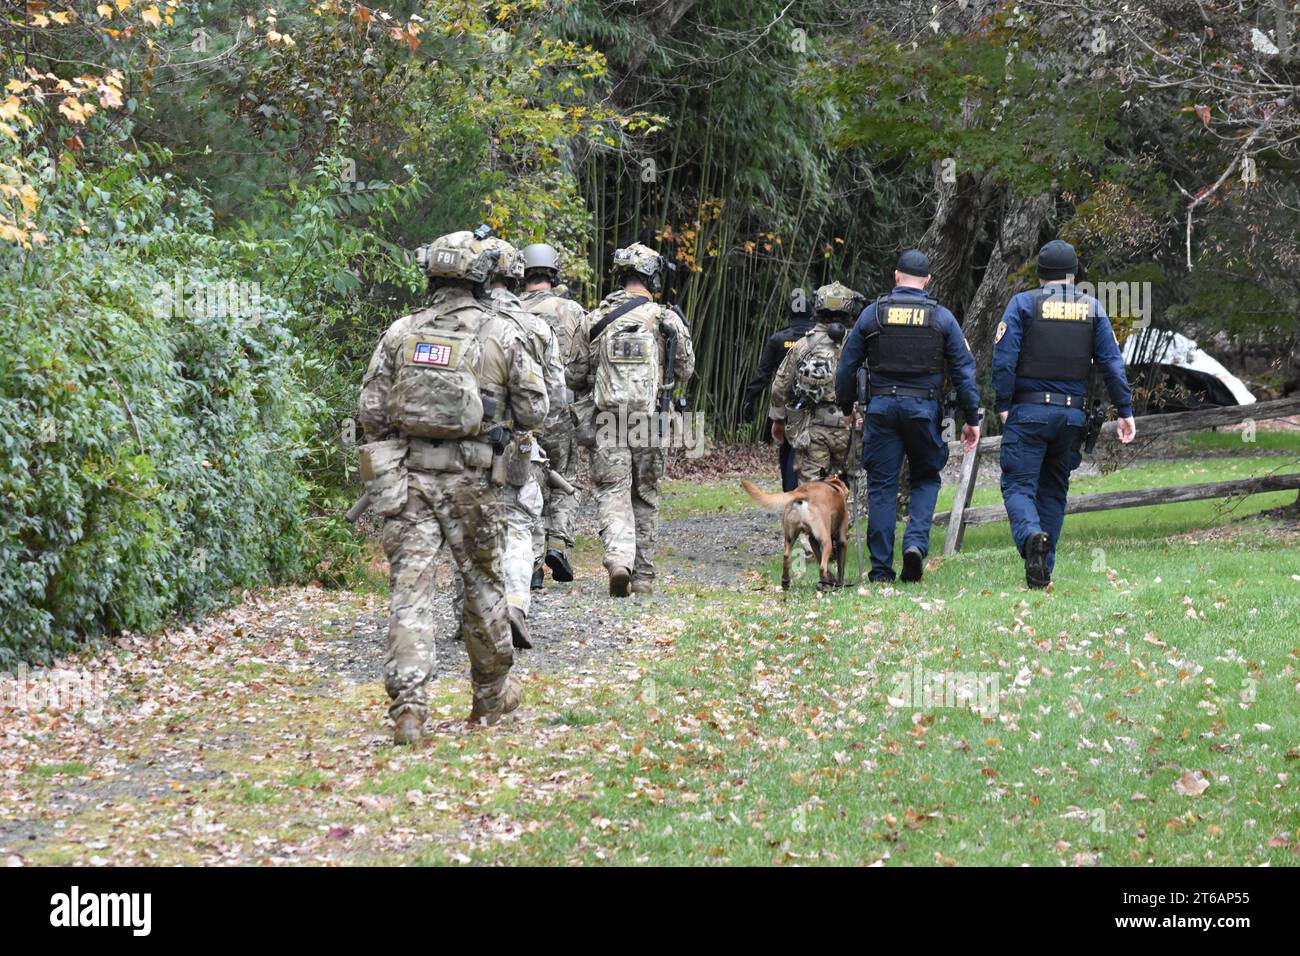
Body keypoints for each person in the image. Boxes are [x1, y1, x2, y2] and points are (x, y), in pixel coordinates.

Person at [357, 230, 548, 741]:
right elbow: (535, 409)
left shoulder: (400, 333)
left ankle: (409, 711)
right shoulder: (502, 334)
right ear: (482, 276)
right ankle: (488, 701)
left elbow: (370, 413)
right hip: (475, 483)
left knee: (409, 595)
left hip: (407, 482)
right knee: (483, 587)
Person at [992, 239, 1137, 589]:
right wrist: (1126, 410)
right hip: (1071, 418)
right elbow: (1112, 365)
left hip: (1027, 411)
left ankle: (1030, 538)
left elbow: (1004, 360)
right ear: (1073, 275)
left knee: (1018, 485)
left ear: (1041, 274)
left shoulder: (1022, 304)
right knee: (1054, 491)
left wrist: (1003, 404)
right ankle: (1043, 568)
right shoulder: (1092, 308)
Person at [836, 250, 981, 584]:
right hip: (924, 411)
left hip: (882, 410)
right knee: (927, 477)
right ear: (927, 281)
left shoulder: (873, 315)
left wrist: (847, 408)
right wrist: (971, 417)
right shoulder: (942, 318)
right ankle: (915, 544)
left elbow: (846, 367)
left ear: (896, 276)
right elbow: (963, 371)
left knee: (883, 487)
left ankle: (882, 570)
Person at [566, 242, 695, 597]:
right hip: (650, 420)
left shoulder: (592, 320)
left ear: (619, 276)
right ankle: (643, 576)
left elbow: (574, 376)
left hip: (606, 421)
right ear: (652, 276)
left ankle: (619, 559)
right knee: (645, 494)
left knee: (613, 491)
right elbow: (685, 368)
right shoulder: (665, 318)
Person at [479, 237, 567, 648]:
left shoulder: (462, 319)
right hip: (515, 445)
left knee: (469, 529)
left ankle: (475, 615)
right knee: (516, 524)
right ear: (517, 276)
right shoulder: (537, 328)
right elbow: (555, 397)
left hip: (461, 444)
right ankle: (515, 602)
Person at [518, 243, 588, 587]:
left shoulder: (511, 310)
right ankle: (558, 544)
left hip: (520, 411)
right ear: (553, 272)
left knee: (525, 482)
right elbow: (584, 361)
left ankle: (530, 562)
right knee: (563, 477)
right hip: (560, 409)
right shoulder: (572, 310)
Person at [769, 282, 863, 483]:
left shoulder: (804, 345)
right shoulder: (861, 343)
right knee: (852, 486)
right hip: (854, 427)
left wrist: (778, 419)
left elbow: (781, 383)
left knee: (813, 489)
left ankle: (816, 514)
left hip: (814, 428)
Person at [740, 288, 814, 492]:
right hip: (818, 405)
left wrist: (749, 400)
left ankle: (790, 495)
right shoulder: (819, 339)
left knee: (788, 451)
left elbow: (762, 375)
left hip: (788, 406)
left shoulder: (778, 339)